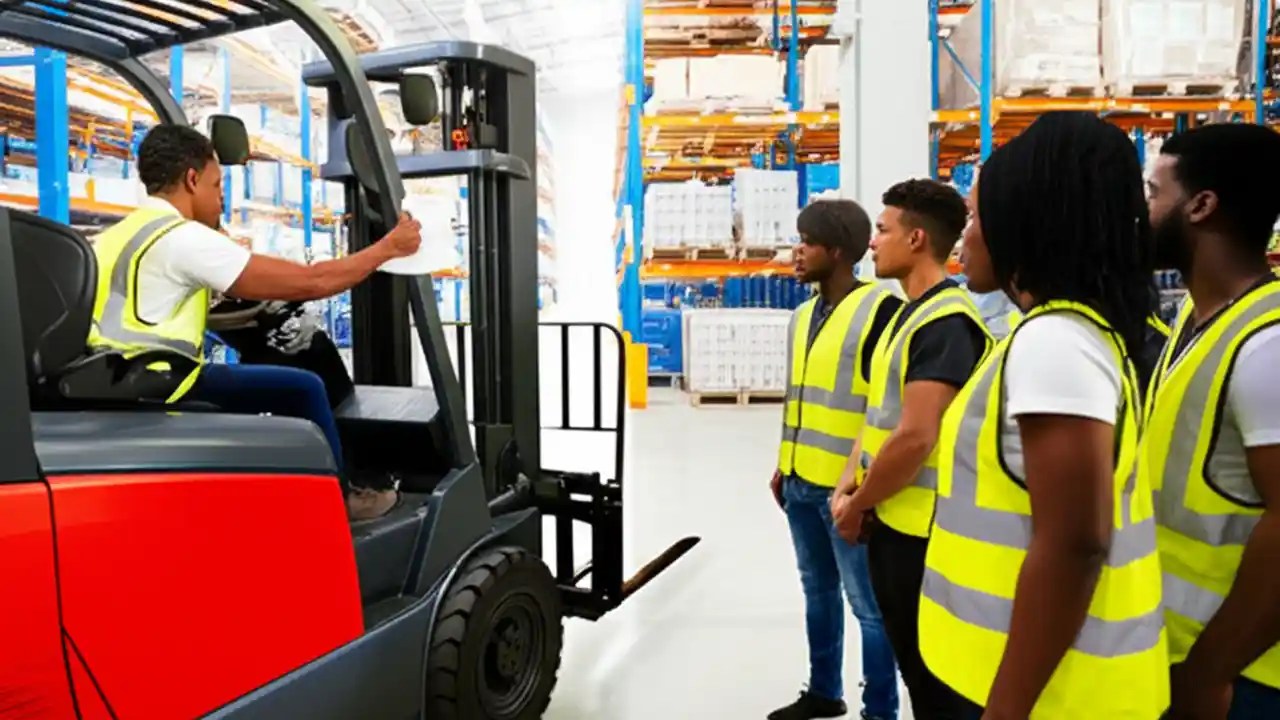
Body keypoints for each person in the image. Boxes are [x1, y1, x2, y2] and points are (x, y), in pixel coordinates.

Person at [917, 111, 1169, 719]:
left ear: (1025, 222)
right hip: (1026, 680)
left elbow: (1076, 543)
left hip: (1054, 697)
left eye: (977, 217)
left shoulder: (1056, 342)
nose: (964, 236)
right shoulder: (1066, 333)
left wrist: (1007, 710)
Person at [87, 123, 422, 520]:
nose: (220, 199)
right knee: (305, 387)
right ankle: (340, 500)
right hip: (164, 384)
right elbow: (312, 281)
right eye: (216, 186)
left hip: (113, 384)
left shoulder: (115, 236)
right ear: (192, 180)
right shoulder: (183, 239)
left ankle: (288, 490)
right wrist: (387, 249)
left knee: (251, 378)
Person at [831, 179, 991, 719]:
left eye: (882, 230)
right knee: (916, 673)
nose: (872, 243)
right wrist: (847, 484)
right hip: (894, 523)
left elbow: (917, 435)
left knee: (935, 684)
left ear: (917, 238)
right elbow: (880, 417)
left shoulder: (947, 323)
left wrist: (861, 502)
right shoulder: (910, 314)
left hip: (925, 535)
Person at [1144, 123, 1280, 719]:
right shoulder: (1195, 323)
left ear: (1201, 206)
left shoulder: (1266, 344)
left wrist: (1209, 672)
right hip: (1182, 654)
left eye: (1154, 192)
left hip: (1241, 676)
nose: (1142, 210)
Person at [770, 199, 902, 720]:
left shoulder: (880, 312)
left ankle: (881, 711)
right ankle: (824, 692)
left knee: (867, 608)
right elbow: (797, 398)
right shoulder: (801, 316)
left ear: (839, 250)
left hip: (846, 492)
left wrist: (861, 487)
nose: (796, 252)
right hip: (800, 482)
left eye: (807, 242)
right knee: (817, 593)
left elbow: (881, 408)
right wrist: (784, 463)